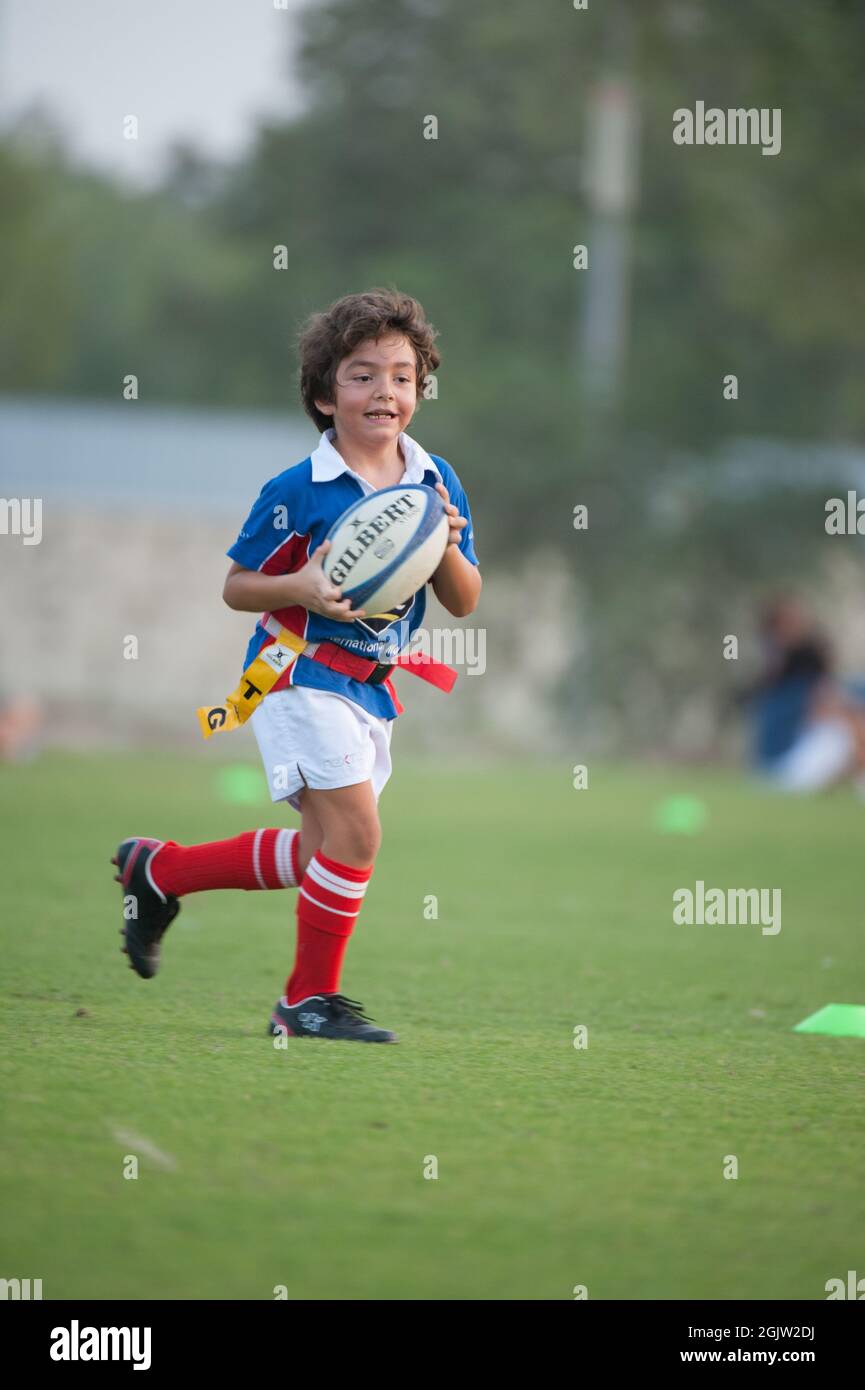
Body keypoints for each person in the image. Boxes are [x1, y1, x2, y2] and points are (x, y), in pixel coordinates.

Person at [111, 289, 481, 1041]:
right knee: (359, 838)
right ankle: (306, 1001)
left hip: (370, 689)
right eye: (363, 374)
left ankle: (159, 873)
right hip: (296, 674)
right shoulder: (295, 490)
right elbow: (237, 586)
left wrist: (442, 541)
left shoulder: (434, 479)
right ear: (322, 394)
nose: (386, 391)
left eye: (403, 376)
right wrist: (302, 585)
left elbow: (465, 600)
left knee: (324, 852)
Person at [743, 595, 865, 792]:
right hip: (783, 770)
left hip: (782, 767)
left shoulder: (794, 678)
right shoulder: (789, 684)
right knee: (845, 727)